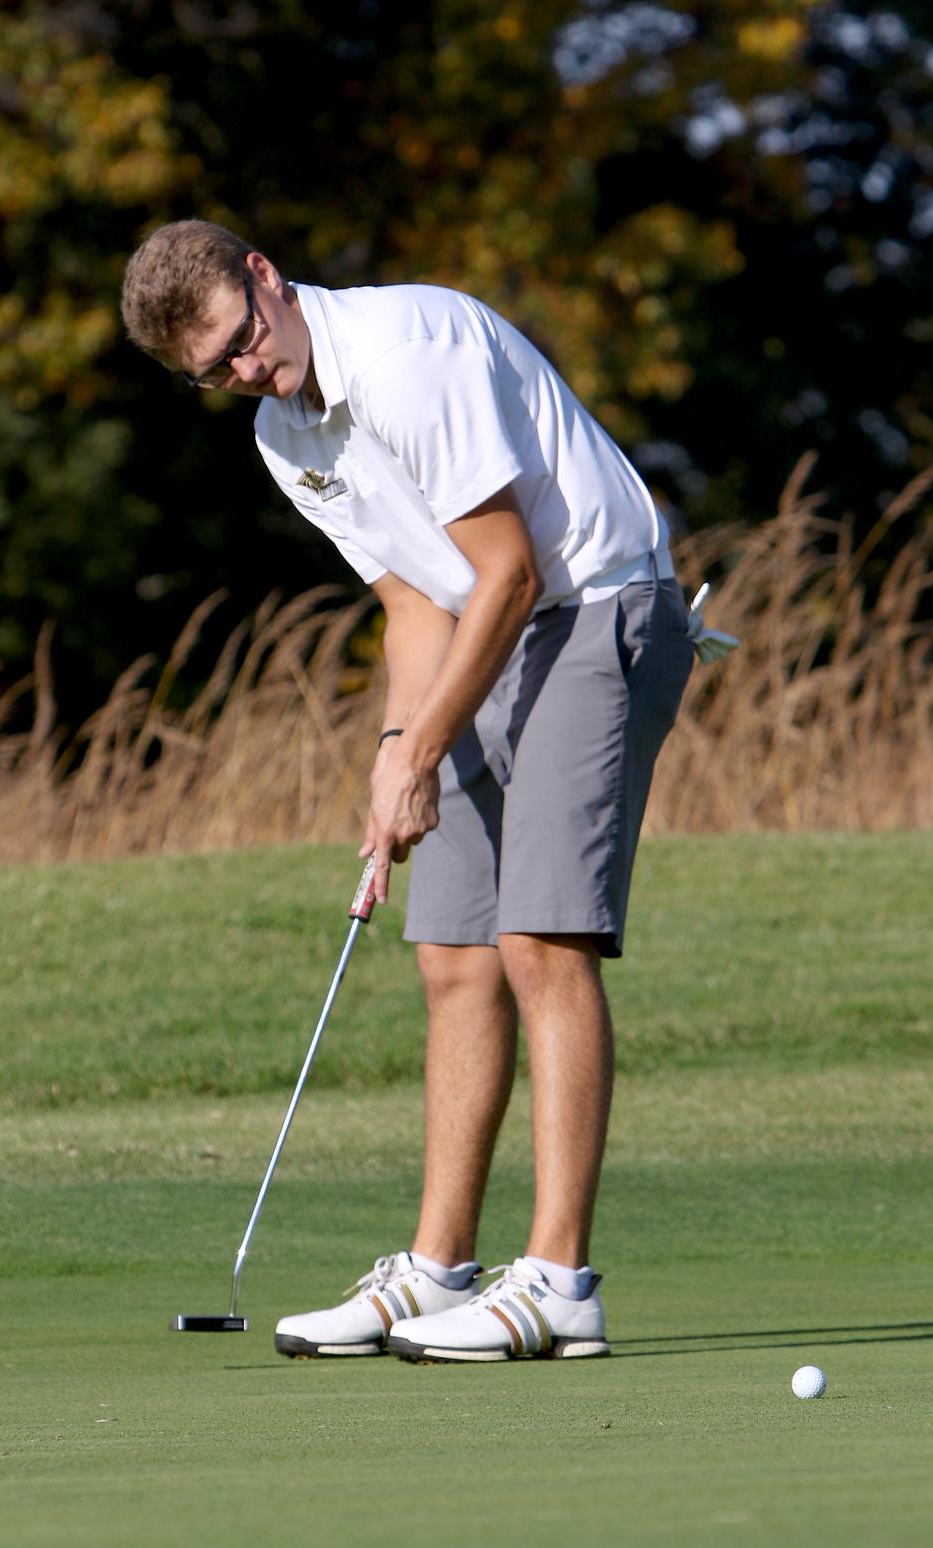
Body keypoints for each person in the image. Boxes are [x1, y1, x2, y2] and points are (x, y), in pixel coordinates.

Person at [121, 219, 721, 1364]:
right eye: (213, 375)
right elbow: (415, 606)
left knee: (541, 938)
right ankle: (437, 1272)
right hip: (483, 637)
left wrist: (425, 738)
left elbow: (510, 569)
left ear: (265, 279)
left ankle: (555, 1281)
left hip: (597, 608)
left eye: (242, 343)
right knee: (452, 955)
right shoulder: (279, 432)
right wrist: (399, 755)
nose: (245, 373)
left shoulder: (405, 350)